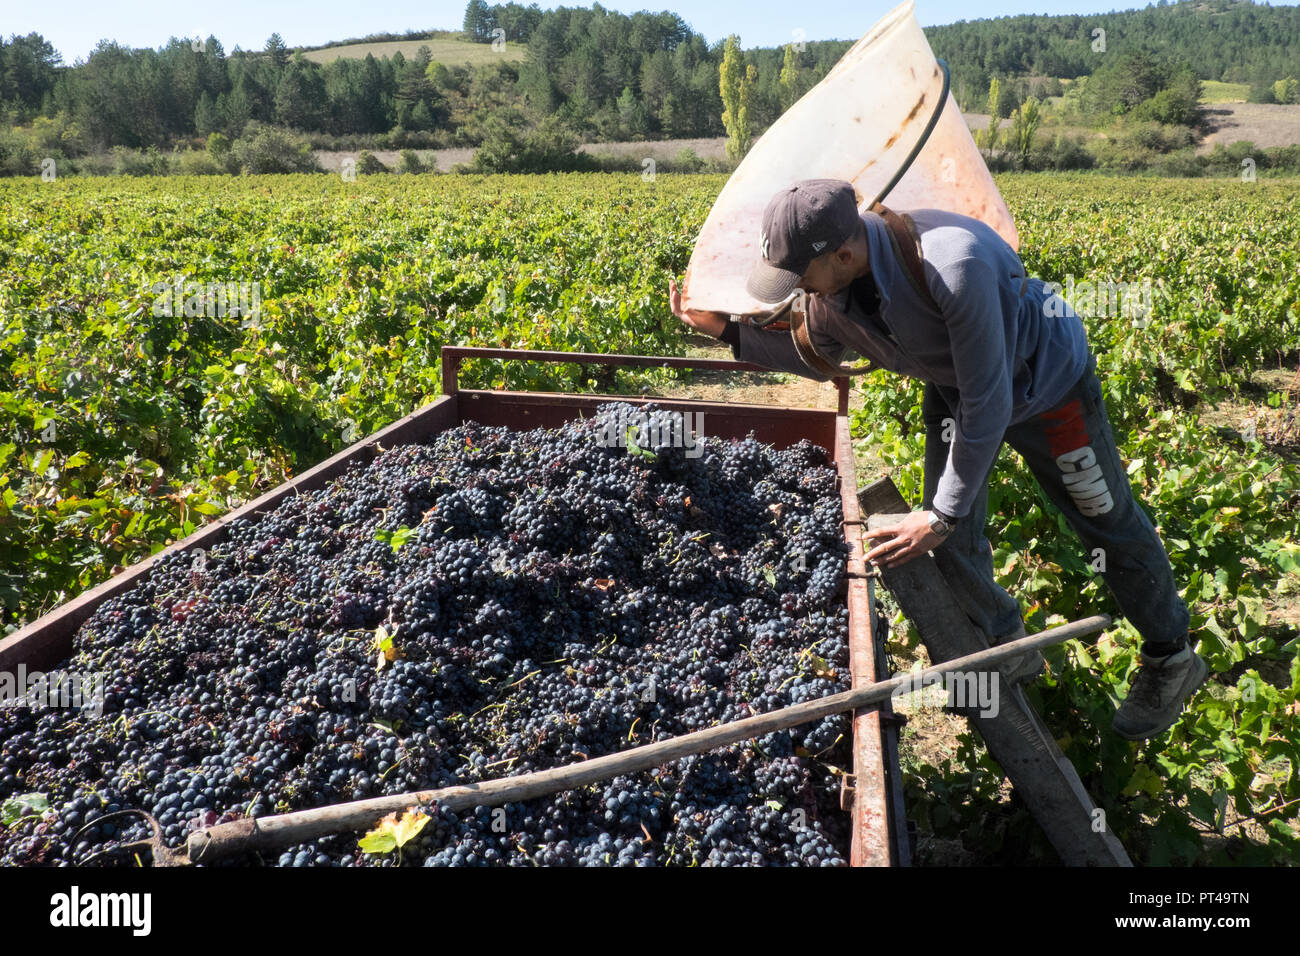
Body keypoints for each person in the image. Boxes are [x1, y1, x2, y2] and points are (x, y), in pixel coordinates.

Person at [668, 178, 1206, 741]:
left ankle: (1170, 656)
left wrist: (942, 512)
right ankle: (1007, 646)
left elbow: (989, 400)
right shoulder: (833, 292)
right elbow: (813, 353)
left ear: (844, 254)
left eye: (802, 277)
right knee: (942, 534)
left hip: (1047, 387)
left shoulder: (955, 264)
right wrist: (727, 331)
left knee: (1101, 518)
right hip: (955, 389)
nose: (800, 291)